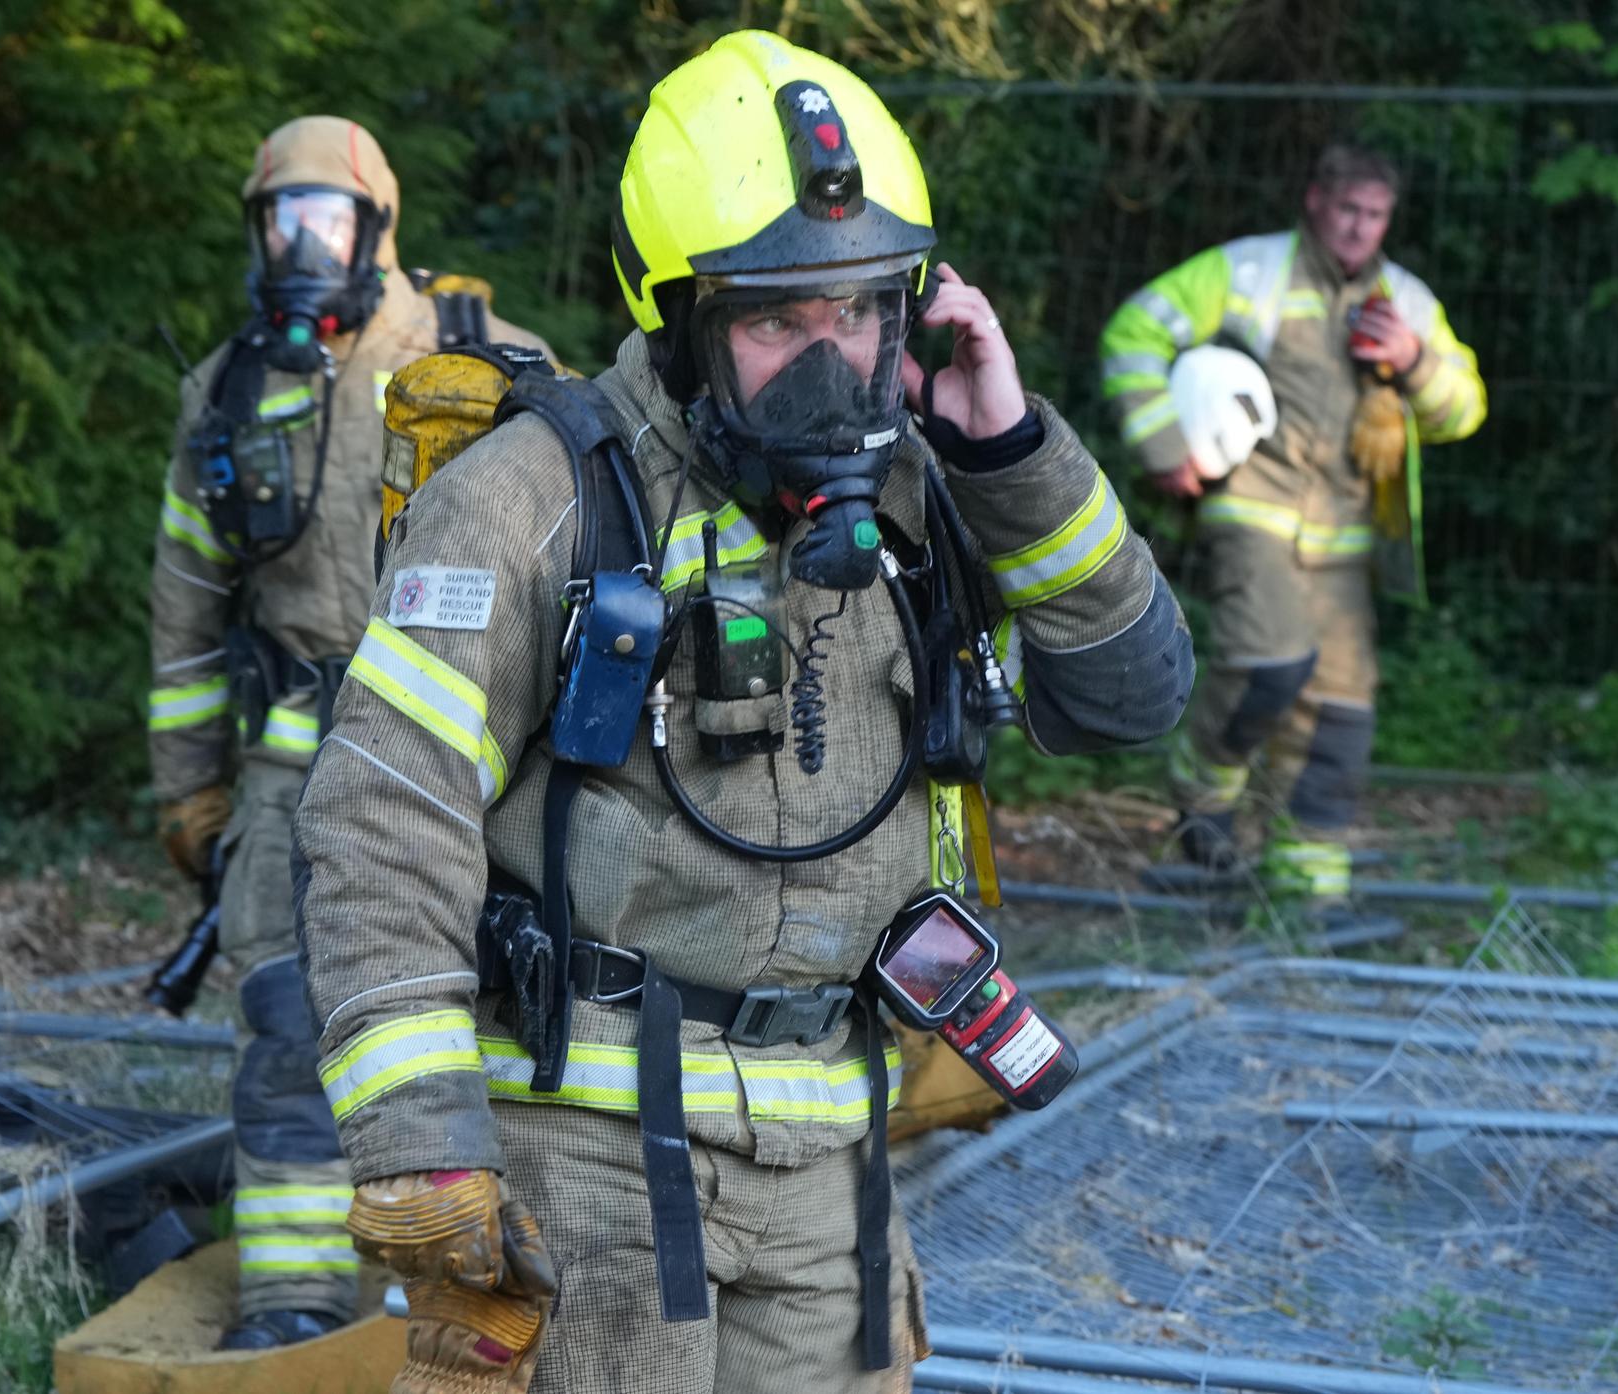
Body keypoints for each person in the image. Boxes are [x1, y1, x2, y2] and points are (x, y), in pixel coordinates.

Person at [293, 32, 1193, 1394]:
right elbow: (380, 817)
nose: (832, 367)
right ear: (682, 320)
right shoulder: (532, 504)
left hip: (833, 1151)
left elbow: (1133, 692)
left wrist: (1007, 449)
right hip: (587, 1156)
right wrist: (423, 1139)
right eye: (779, 322)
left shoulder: (927, 489)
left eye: (861, 315)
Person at [147, 114, 551, 1350]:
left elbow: (583, 547)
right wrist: (191, 793)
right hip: (293, 755)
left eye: (327, 218)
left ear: (377, 225)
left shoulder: (487, 360)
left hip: (465, 756)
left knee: (484, 1008)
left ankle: (487, 1281)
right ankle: (292, 1304)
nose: (302, 244)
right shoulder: (226, 391)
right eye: (282, 219)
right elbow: (186, 608)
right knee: (284, 1023)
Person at [1099, 142, 1486, 903]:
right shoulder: (1250, 272)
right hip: (1254, 514)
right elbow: (1134, 333)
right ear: (1315, 200)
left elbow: (1465, 411)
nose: (1359, 228)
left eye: (1375, 215)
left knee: (1342, 715)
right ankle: (1201, 809)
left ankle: (1307, 892)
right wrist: (1164, 445)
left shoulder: (1406, 303)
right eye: (1348, 209)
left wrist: (1413, 362)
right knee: (1268, 666)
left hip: (1347, 545)